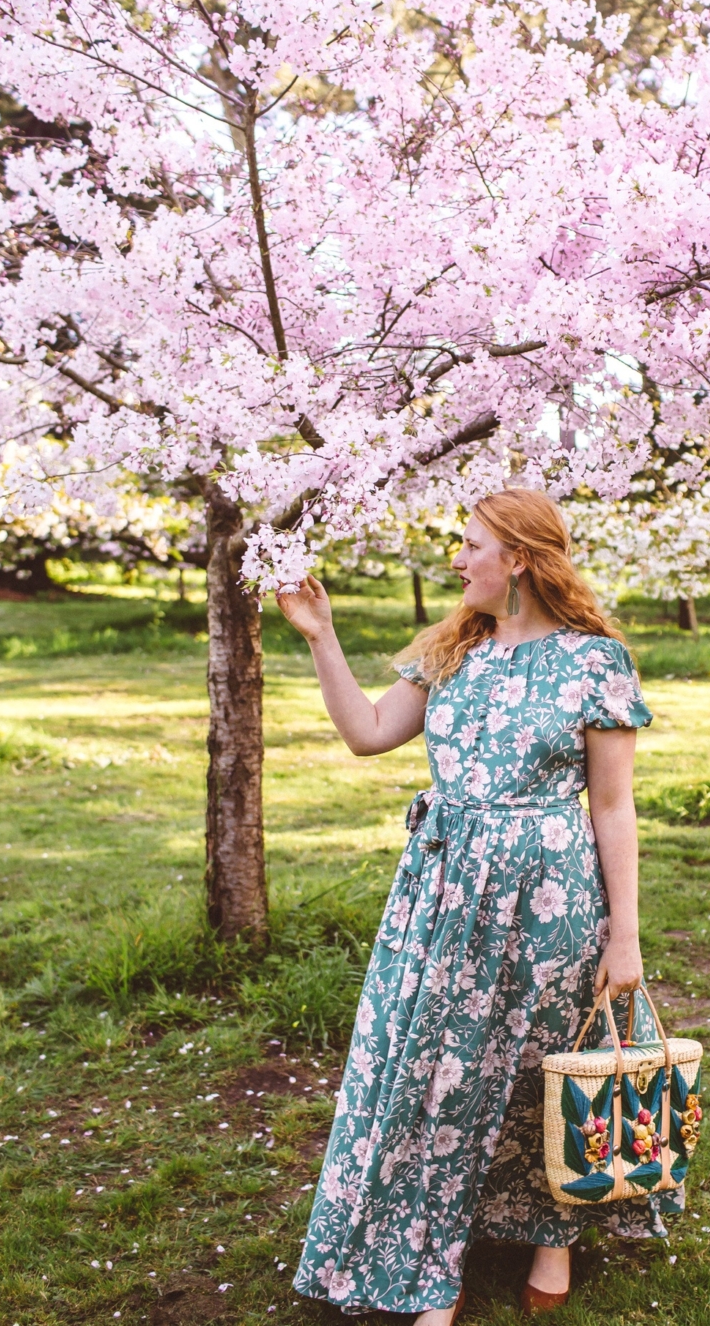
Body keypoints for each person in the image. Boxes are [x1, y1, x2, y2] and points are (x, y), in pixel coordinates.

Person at [279, 489, 669, 1324]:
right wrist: (322, 638)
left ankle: (553, 1236)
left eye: (470, 546)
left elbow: (612, 806)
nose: (456, 560)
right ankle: (430, 1260)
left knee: (542, 1066)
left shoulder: (595, 662)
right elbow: (367, 732)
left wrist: (624, 934)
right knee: (437, 1072)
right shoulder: (452, 650)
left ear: (519, 558)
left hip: (551, 894)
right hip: (445, 891)